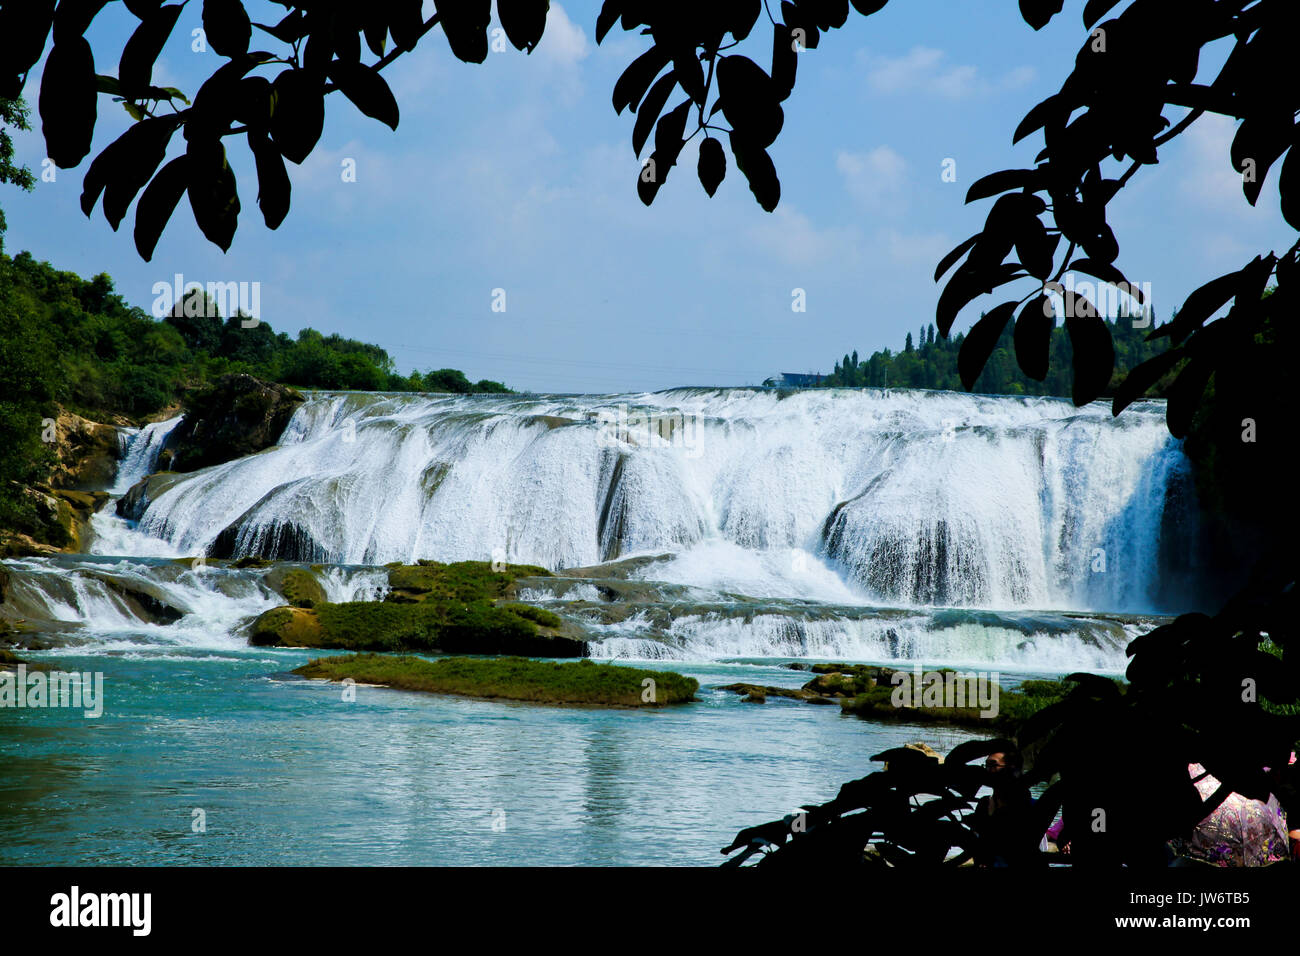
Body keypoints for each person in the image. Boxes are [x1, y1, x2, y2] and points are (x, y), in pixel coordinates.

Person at [970, 747, 1042, 866]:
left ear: (1012, 769)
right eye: (986, 765)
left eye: (993, 765)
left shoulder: (1029, 807)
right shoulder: (984, 803)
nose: (988, 771)